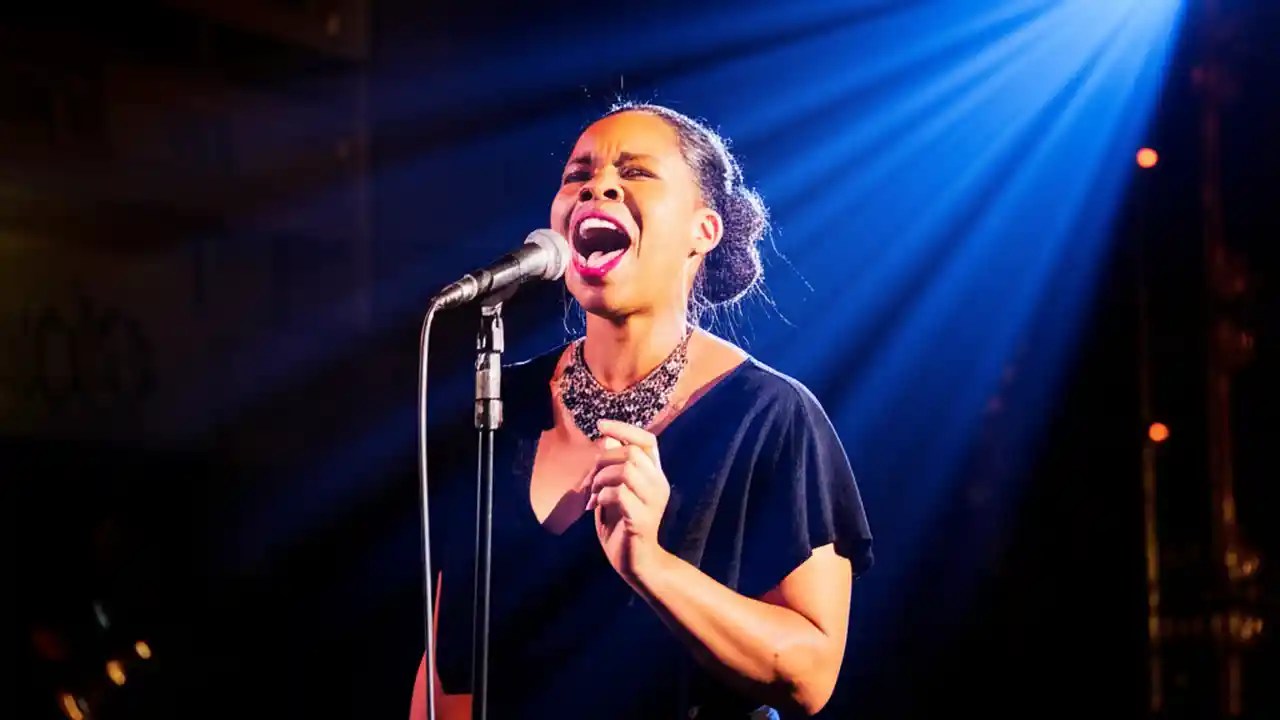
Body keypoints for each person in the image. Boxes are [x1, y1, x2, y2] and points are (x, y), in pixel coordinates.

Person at [410, 102, 873, 719]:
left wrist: (649, 564)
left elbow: (810, 673)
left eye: (636, 173)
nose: (597, 186)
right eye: (578, 175)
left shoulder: (770, 417)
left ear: (702, 230)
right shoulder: (499, 406)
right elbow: (445, 670)